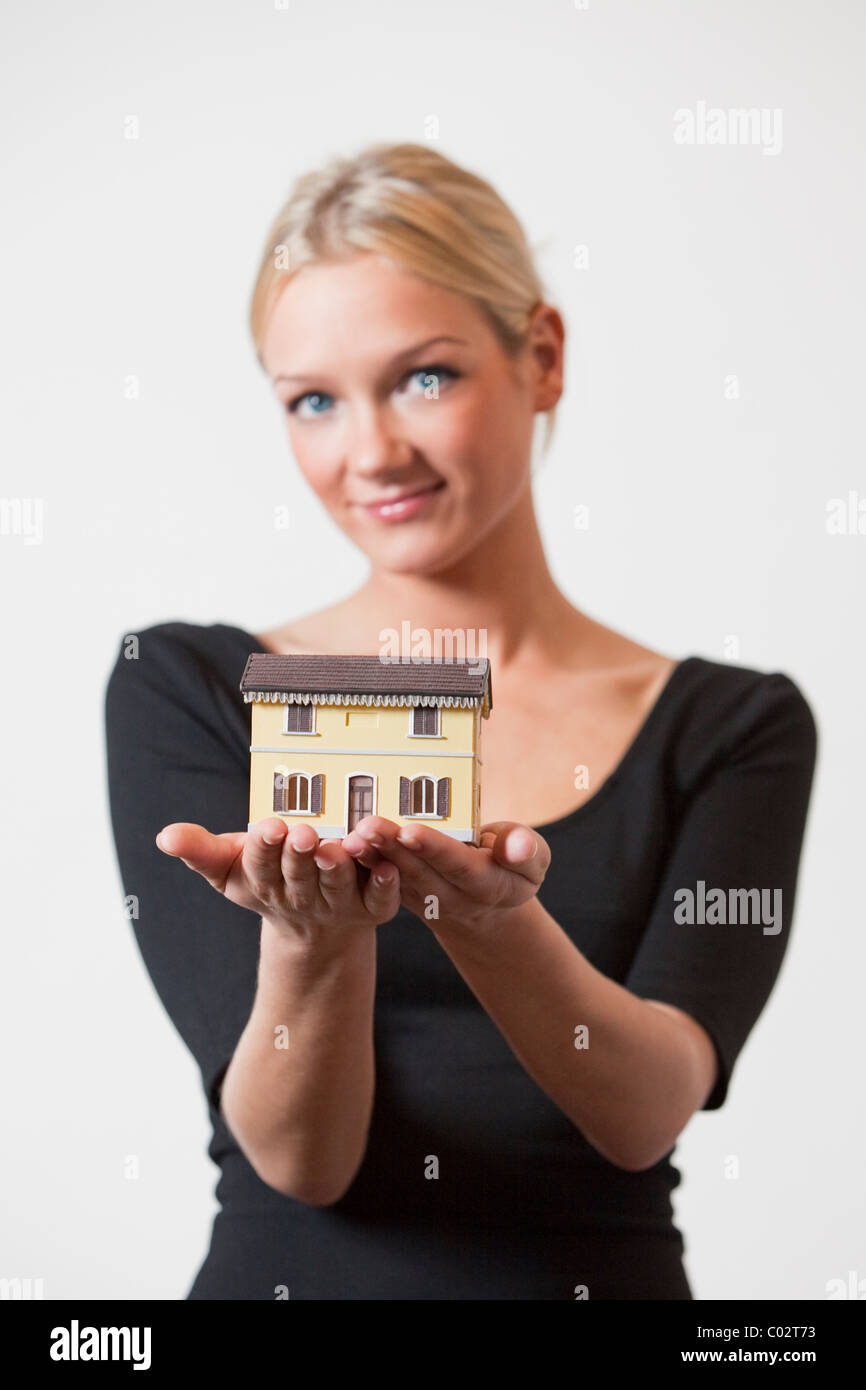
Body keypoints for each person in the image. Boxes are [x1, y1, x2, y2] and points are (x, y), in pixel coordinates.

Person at [104, 142, 817, 1300]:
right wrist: (313, 936)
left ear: (539, 355)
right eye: (314, 401)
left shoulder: (731, 726)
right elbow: (302, 1161)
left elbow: (642, 1114)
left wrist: (489, 920)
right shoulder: (197, 685)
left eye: (423, 377)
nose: (371, 450)